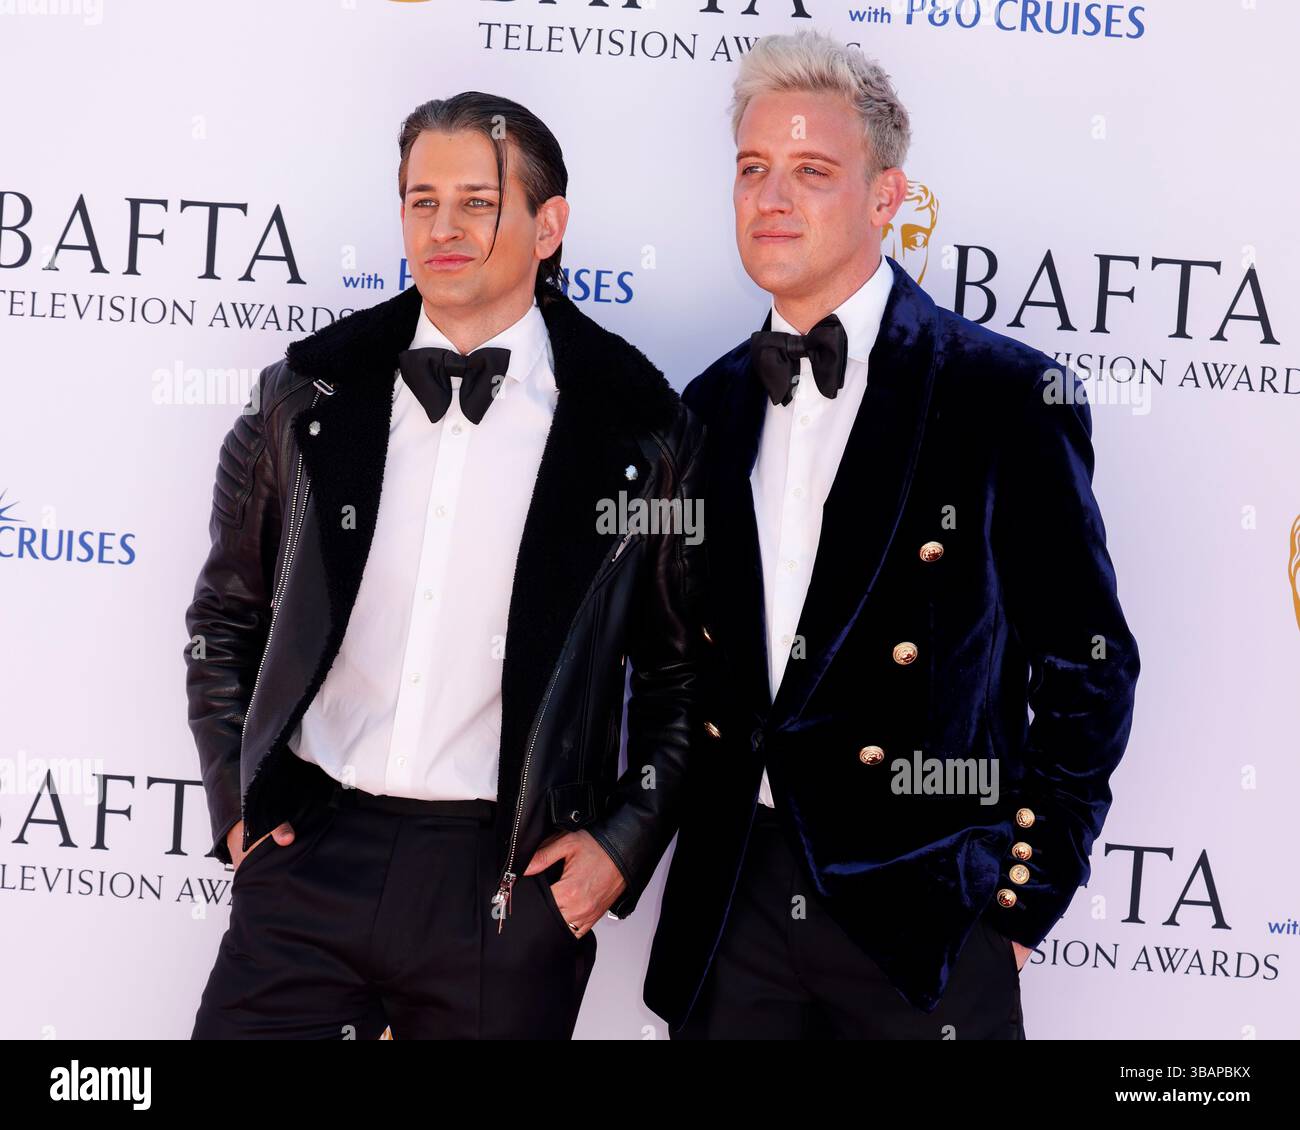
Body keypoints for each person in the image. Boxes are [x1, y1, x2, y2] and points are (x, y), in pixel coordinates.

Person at [644, 30, 1140, 1039]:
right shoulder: (709, 406)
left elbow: (1089, 663)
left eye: (811, 172)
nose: (771, 198)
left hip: (921, 915)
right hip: (734, 900)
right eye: (753, 170)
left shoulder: (1000, 395)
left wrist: (1020, 896)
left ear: (885, 197)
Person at [185, 91, 705, 1039]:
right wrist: (237, 800)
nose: (444, 228)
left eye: (478, 201)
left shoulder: (641, 430)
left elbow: (684, 678)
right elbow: (224, 617)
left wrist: (621, 847)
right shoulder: (305, 396)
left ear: (549, 226)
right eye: (423, 201)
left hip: (505, 886)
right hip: (307, 856)